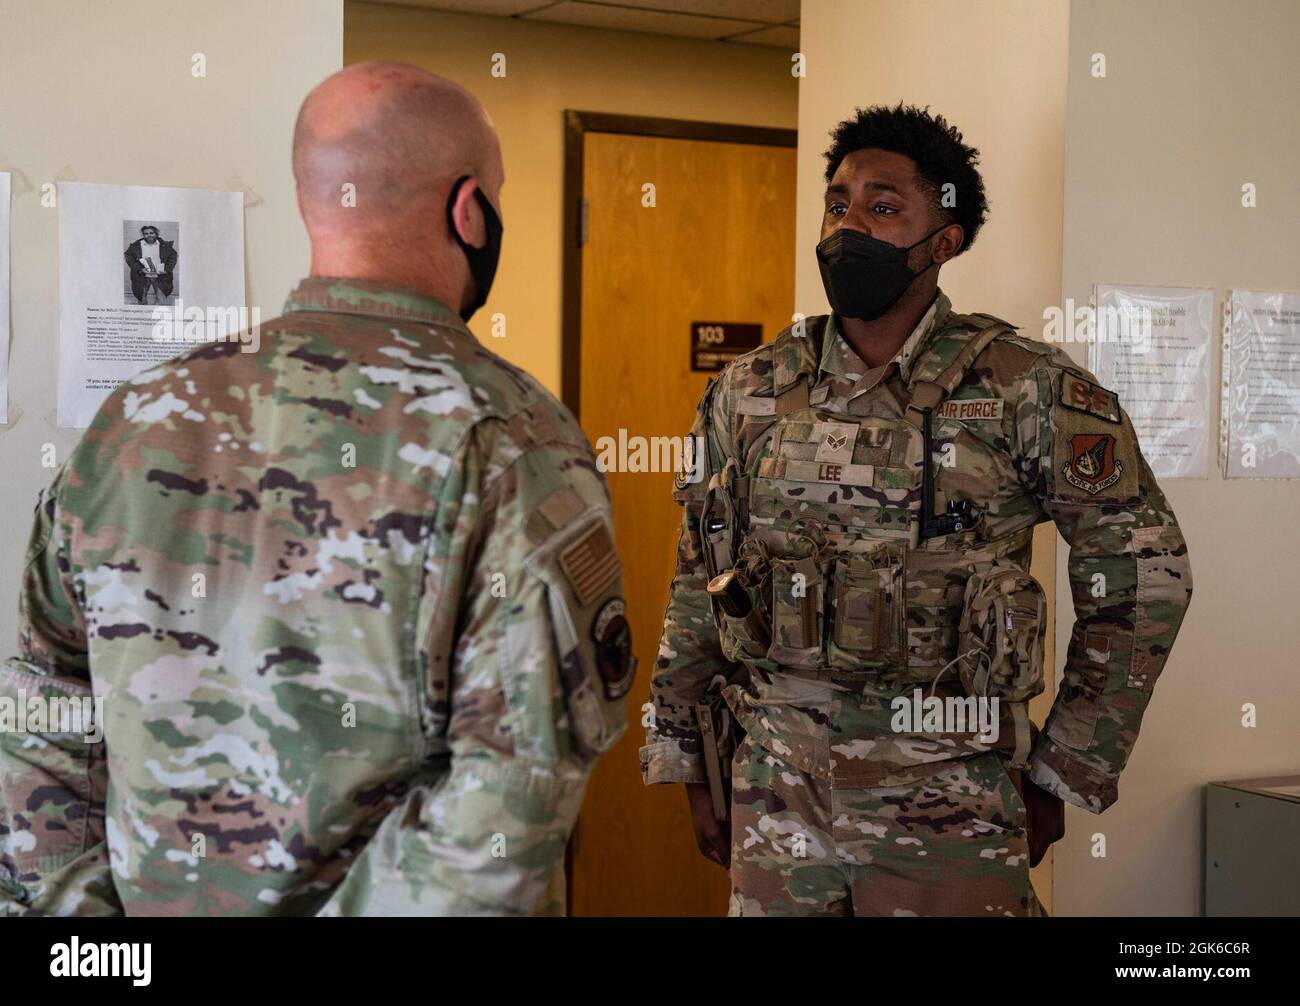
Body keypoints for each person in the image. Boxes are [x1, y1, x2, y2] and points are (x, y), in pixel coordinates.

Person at [0, 60, 630, 917]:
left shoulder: (131, 420)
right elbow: (509, 796)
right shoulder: (510, 436)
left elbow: (39, 717)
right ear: (469, 209)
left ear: (311, 200)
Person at [641, 103, 1192, 917]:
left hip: (951, 797)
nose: (847, 226)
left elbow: (1144, 575)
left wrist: (1064, 768)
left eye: (884, 206)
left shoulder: (1025, 386)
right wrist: (689, 754)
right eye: (837, 203)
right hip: (777, 791)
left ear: (946, 239)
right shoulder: (750, 390)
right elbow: (701, 574)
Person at [124, 224, 177, 304]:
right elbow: (129, 257)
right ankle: (144, 314)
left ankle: (157, 314)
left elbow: (173, 256)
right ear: (143, 235)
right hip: (142, 276)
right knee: (142, 298)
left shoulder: (165, 245)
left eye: (151, 233)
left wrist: (167, 269)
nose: (149, 235)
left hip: (160, 275)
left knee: (161, 299)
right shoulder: (136, 245)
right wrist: (140, 269)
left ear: (156, 233)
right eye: (146, 233)